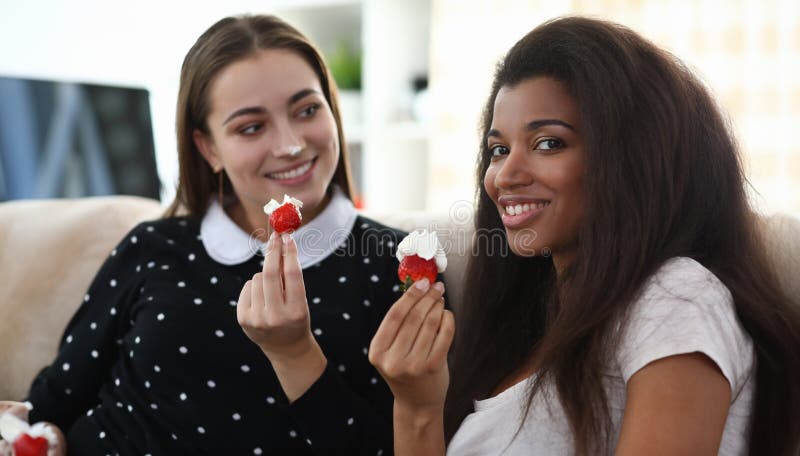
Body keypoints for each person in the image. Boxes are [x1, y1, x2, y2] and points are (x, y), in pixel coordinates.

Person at [368, 16, 800, 456]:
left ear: (634, 158)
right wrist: (416, 409)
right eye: (498, 150)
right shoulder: (531, 329)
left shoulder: (675, 296)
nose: (504, 175)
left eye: (548, 143)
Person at [0, 14, 405, 455]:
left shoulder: (397, 264)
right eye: (251, 127)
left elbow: (391, 443)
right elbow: (50, 403)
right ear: (208, 148)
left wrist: (295, 354)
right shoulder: (153, 246)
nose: (290, 144)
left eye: (307, 110)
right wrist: (37, 435)